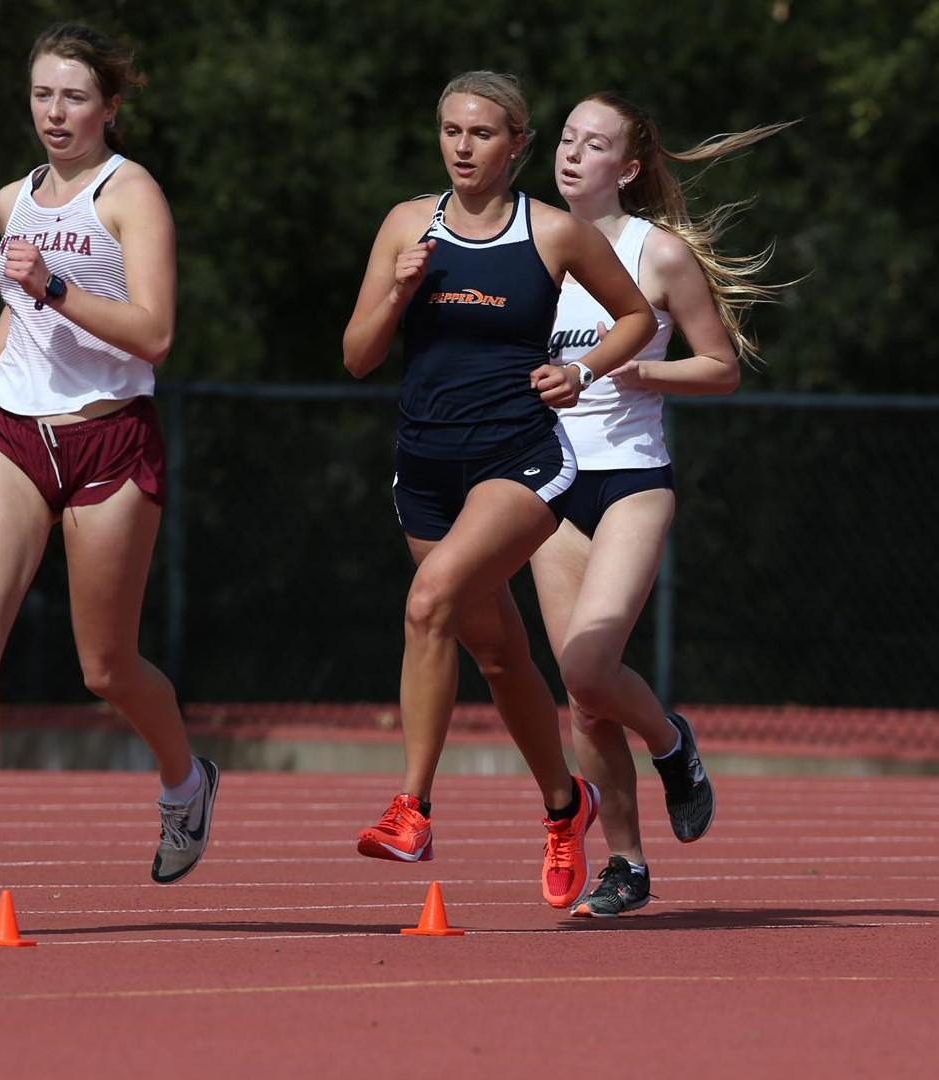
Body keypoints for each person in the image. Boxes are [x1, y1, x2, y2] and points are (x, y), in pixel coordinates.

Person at [0, 22, 216, 910]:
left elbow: (154, 333)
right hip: (12, 434)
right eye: (43, 93)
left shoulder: (131, 195)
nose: (55, 111)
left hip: (110, 439)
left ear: (110, 107)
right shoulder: (13, 200)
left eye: (74, 96)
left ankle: (185, 782)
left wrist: (56, 287)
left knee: (106, 666)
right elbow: (18, 305)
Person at [341, 71, 655, 909]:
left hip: (517, 462)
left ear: (517, 143)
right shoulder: (407, 225)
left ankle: (412, 808)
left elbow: (632, 318)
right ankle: (565, 804)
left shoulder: (552, 234)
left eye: (481, 134)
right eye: (450, 131)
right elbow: (358, 355)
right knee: (497, 653)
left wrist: (581, 368)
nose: (462, 148)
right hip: (425, 468)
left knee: (428, 600)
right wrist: (401, 289)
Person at [532, 94, 792, 917]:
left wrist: (637, 371)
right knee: (580, 694)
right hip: (546, 482)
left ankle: (671, 744)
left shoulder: (659, 253)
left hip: (630, 477)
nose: (574, 153)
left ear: (630, 167)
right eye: (567, 138)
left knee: (587, 665)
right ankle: (628, 866)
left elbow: (718, 367)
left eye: (595, 143)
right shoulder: (527, 247)